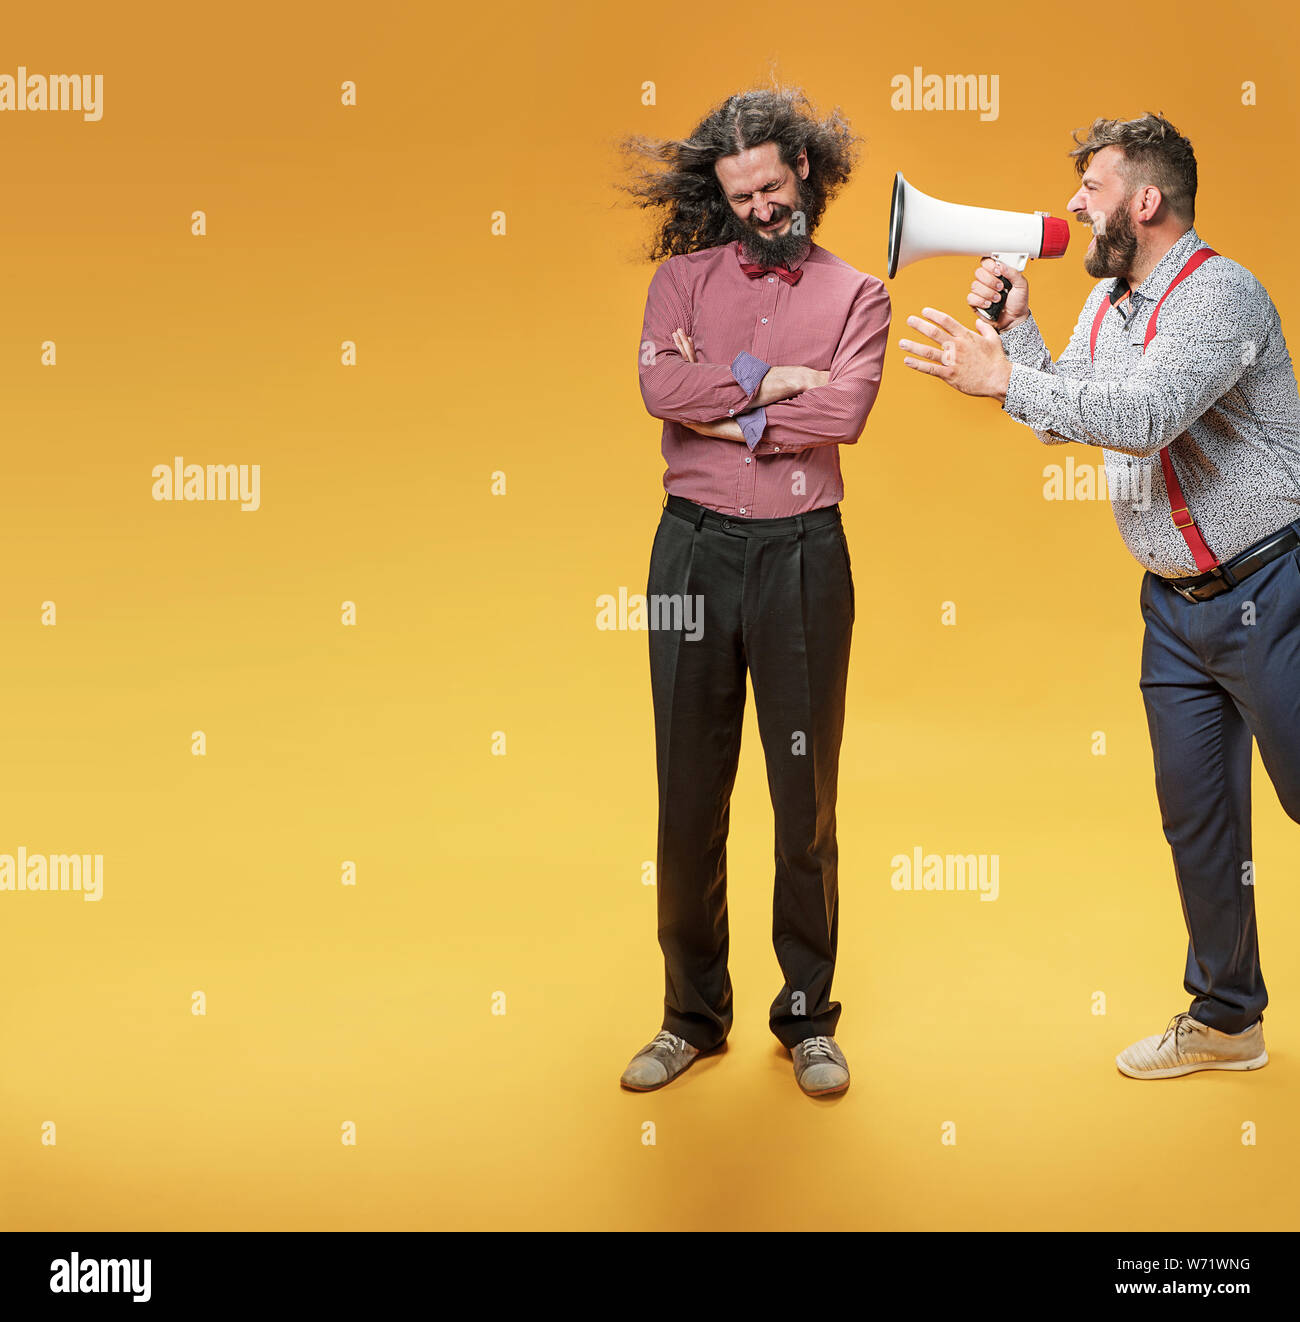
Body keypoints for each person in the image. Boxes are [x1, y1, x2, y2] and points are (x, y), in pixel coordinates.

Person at [898, 112, 1300, 1079]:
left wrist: (1004, 378)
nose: (1074, 205)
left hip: (1272, 587)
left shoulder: (1222, 295)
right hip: (1172, 608)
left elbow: (1144, 416)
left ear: (1146, 201)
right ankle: (1225, 1018)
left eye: (1093, 188)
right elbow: (1064, 409)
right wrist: (1018, 335)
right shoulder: (1110, 305)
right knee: (1197, 817)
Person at [615, 86, 890, 1096]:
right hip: (690, 552)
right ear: (718, 195)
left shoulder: (859, 294)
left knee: (800, 795)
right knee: (687, 791)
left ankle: (807, 1015)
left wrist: (723, 399)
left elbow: (846, 410)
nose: (761, 210)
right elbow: (658, 390)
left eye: (772, 186)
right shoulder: (678, 282)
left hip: (804, 557)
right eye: (740, 196)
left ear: (805, 169)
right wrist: (772, 382)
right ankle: (690, 1014)